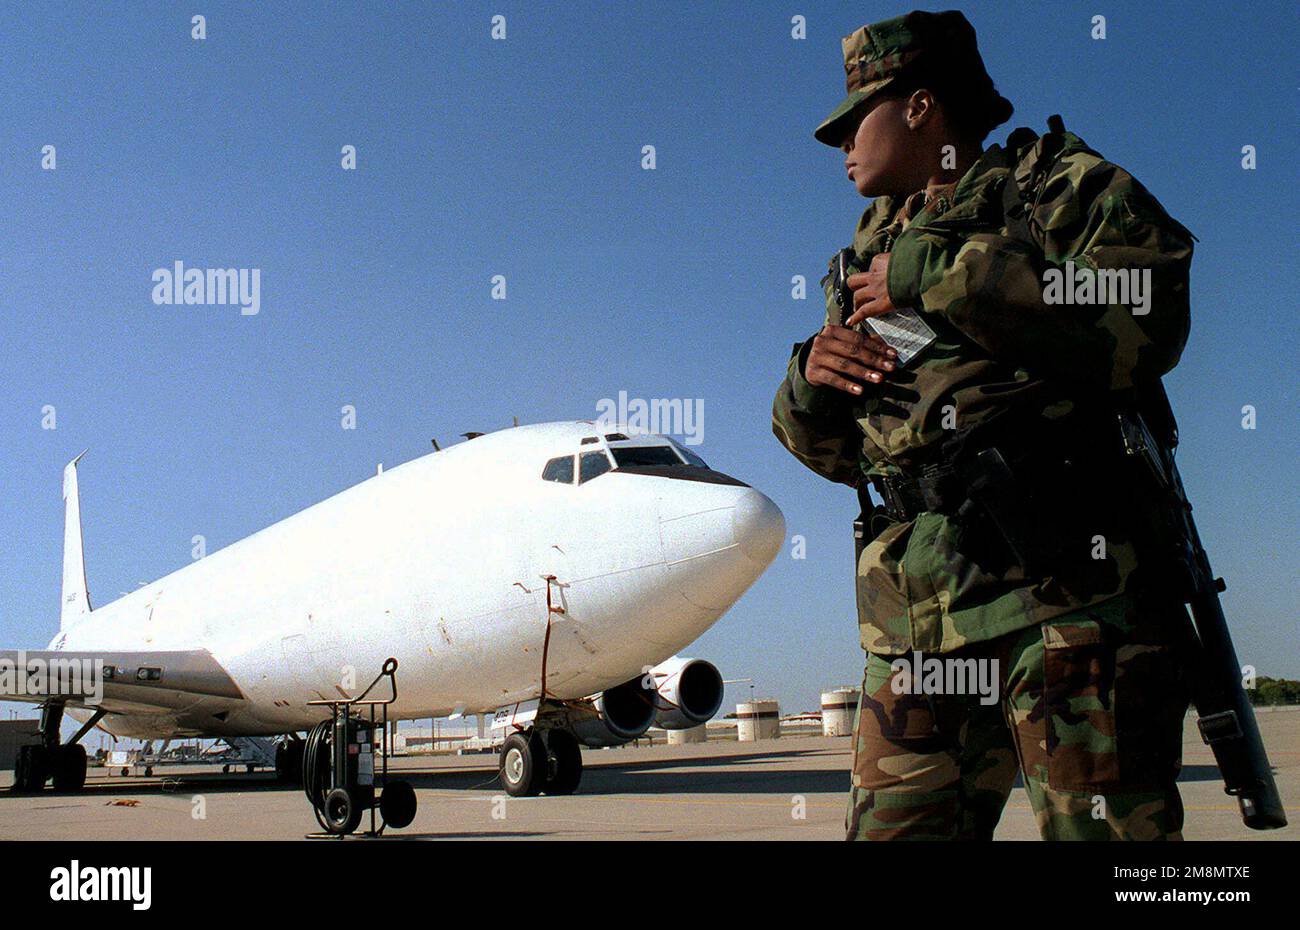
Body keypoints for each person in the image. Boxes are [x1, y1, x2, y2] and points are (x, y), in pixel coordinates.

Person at [772, 9, 1197, 840]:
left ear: (922, 106)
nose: (842, 146)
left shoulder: (1054, 188)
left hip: (1070, 601)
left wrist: (943, 273)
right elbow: (843, 451)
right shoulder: (867, 255)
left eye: (856, 118)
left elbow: (1148, 310)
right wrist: (808, 383)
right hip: (916, 622)